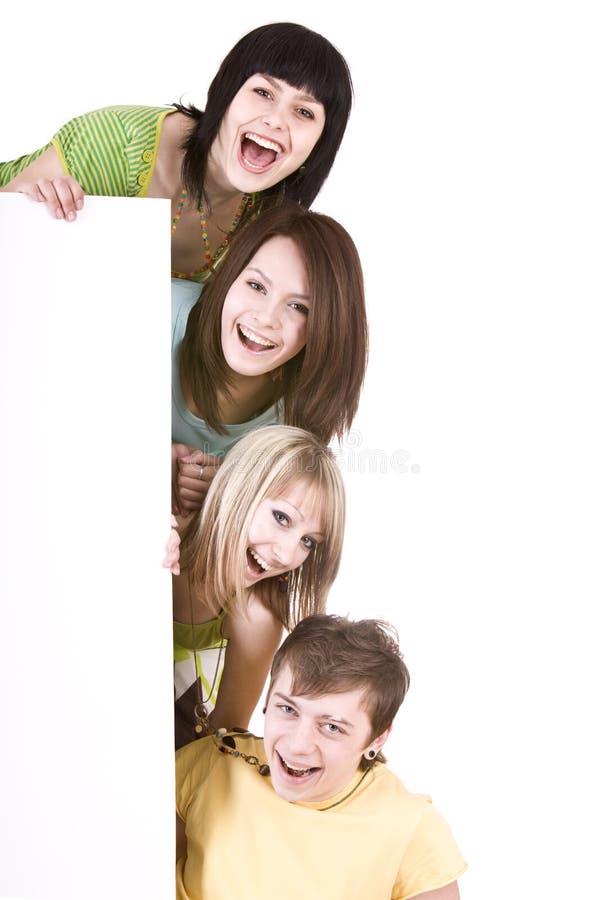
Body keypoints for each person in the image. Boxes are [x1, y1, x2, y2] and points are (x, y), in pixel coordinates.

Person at [0, 22, 353, 282]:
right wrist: (25, 215)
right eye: (263, 93)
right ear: (226, 93)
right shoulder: (120, 143)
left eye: (304, 112)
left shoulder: (273, 222)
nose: (276, 121)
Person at [175, 614, 467, 899]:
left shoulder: (412, 827)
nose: (298, 745)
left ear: (377, 738)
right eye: (288, 709)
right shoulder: (211, 763)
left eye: (331, 727)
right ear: (268, 699)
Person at [171, 201, 367, 515]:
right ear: (229, 277)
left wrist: (227, 495)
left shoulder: (296, 420)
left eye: (299, 307)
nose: (266, 318)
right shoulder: (161, 310)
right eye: (256, 285)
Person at [171, 426, 345, 751]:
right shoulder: (167, 534)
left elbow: (221, 746)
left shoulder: (257, 619)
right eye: (282, 518)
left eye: (308, 541)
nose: (287, 554)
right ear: (241, 488)